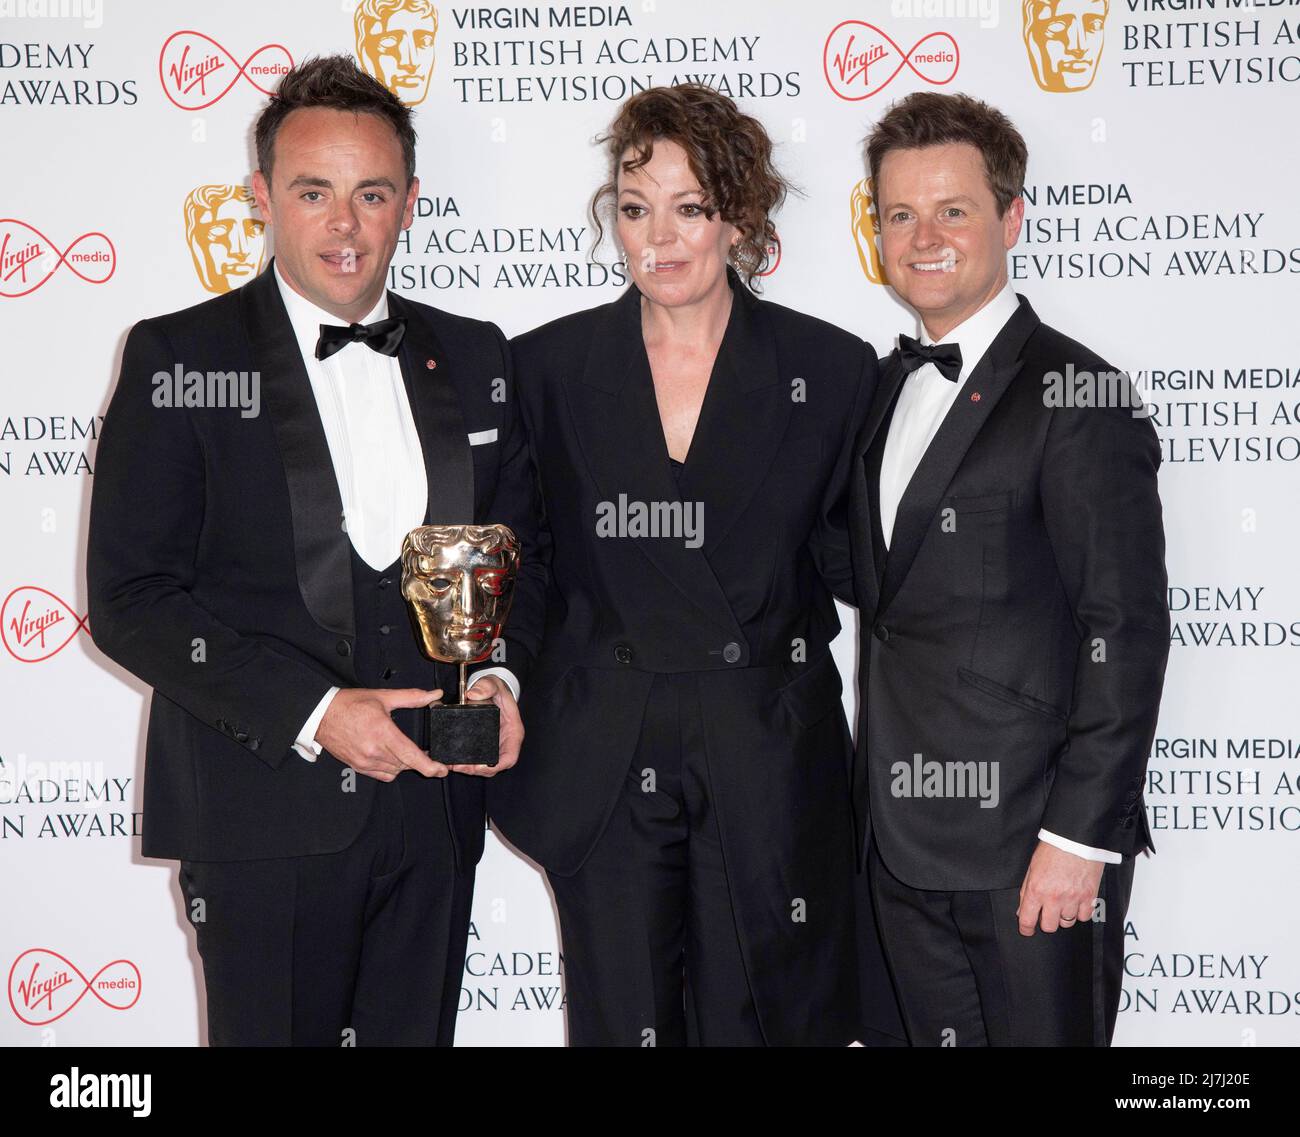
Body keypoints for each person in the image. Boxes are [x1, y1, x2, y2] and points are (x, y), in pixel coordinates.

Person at [86, 55, 542, 1046]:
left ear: (409, 203)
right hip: (259, 815)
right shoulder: (180, 357)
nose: (345, 222)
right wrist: (314, 711)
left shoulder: (475, 356)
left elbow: (516, 554)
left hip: (431, 812)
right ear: (261, 198)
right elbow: (131, 599)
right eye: (313, 192)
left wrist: (500, 676)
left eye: (371, 193)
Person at [489, 84, 903, 1047]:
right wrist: (501, 672)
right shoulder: (546, 367)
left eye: (691, 208)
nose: (659, 239)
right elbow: (526, 559)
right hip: (605, 746)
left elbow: (868, 565)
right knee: (622, 1020)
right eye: (636, 209)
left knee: (761, 1021)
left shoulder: (832, 370)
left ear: (741, 218)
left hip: (765, 749)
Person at [846, 91, 1168, 1046]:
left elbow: (1126, 628)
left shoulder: (1082, 392)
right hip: (896, 848)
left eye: (954, 210)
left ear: (1011, 217)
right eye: (900, 214)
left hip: (1031, 853)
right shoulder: (880, 389)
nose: (924, 237)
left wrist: (1077, 841)